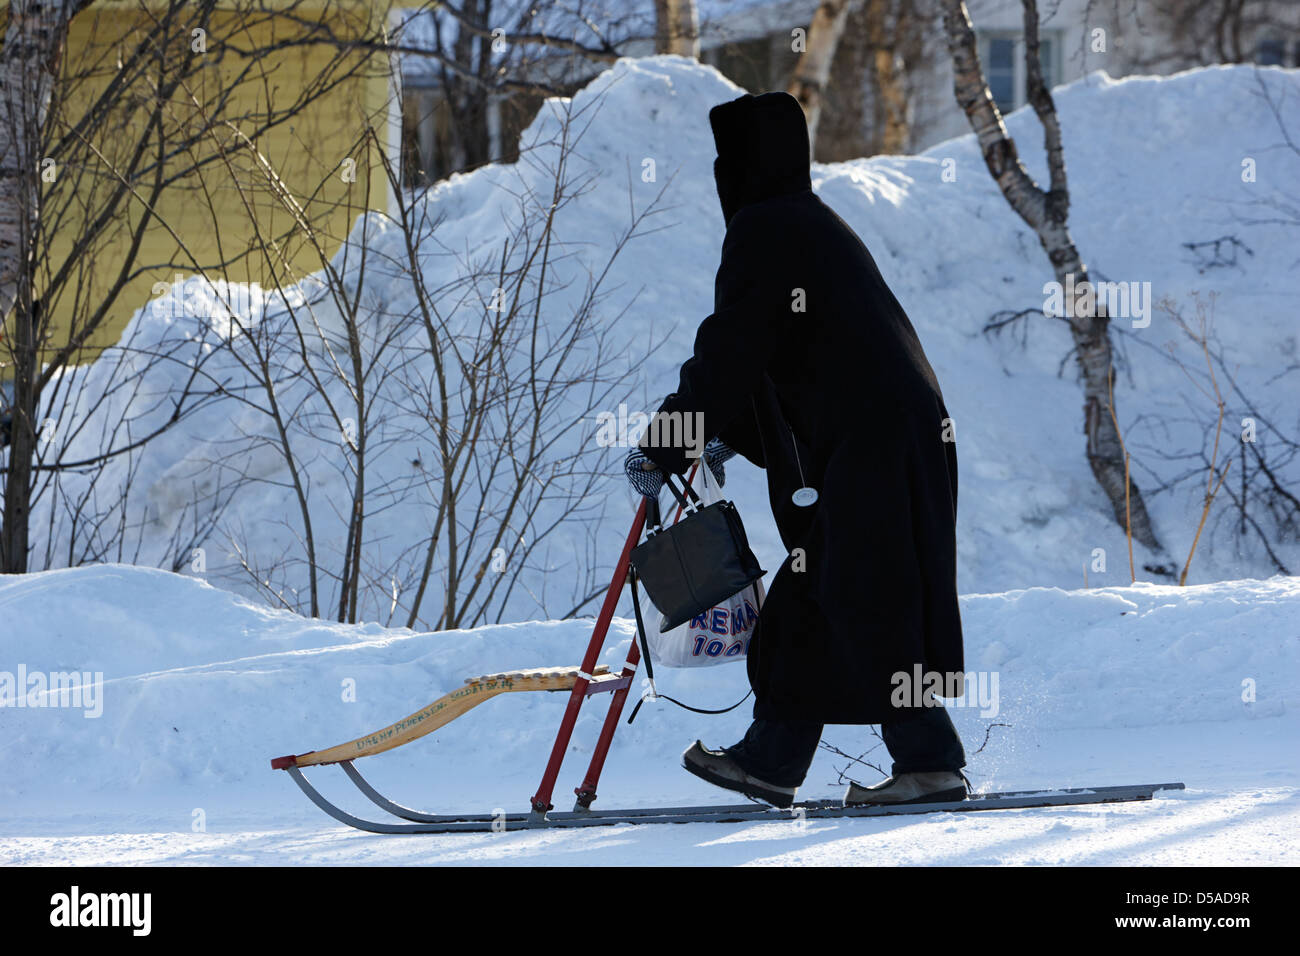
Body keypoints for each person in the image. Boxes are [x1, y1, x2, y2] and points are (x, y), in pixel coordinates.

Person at [623, 91, 967, 808]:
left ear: (739, 168)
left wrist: (668, 442)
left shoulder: (765, 229)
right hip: (899, 436)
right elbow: (786, 360)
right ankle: (835, 760)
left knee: (836, 595)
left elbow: (731, 354)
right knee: (847, 598)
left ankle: (827, 761)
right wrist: (717, 434)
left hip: (874, 444)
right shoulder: (809, 223)